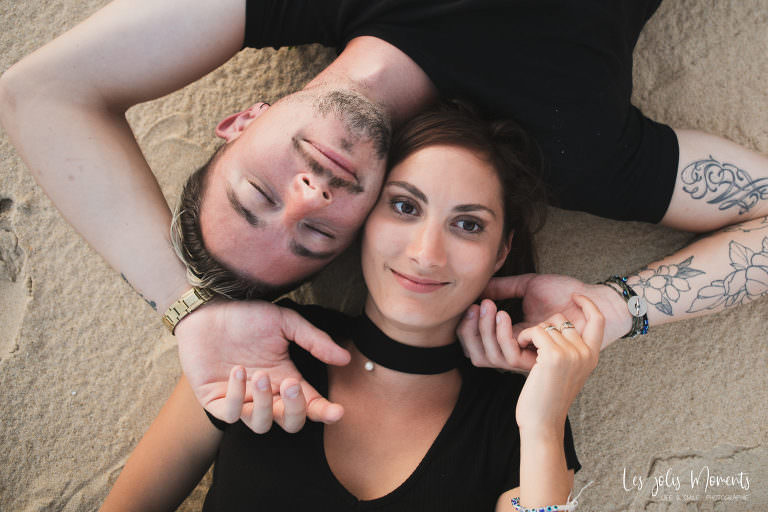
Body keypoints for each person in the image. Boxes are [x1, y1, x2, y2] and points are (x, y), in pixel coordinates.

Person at [1, 0, 766, 431]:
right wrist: (612, 306)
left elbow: (36, 93)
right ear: (372, 215)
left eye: (257, 195)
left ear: (241, 119)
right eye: (318, 233)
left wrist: (186, 310)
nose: (306, 195)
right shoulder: (573, 145)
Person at [100, 103, 601, 512]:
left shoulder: (517, 419)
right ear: (362, 219)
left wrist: (542, 423)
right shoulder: (260, 347)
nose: (426, 253)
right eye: (405, 207)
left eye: (468, 224)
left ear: (502, 251)